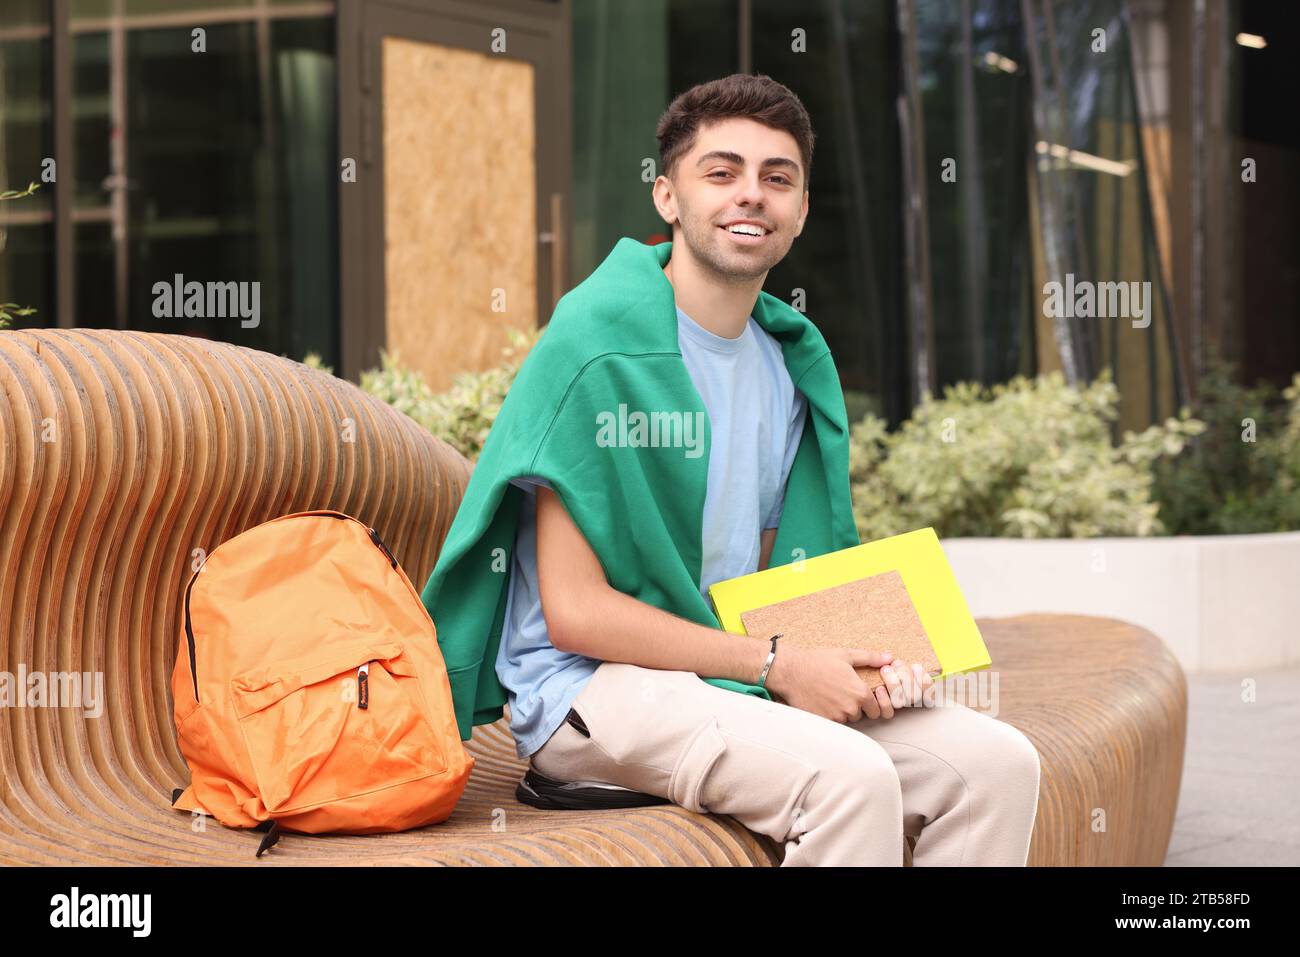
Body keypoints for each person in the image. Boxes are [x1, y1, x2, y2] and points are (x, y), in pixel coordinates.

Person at [421, 73, 1040, 866]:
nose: (751, 194)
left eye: (776, 178)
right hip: (589, 693)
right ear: (667, 197)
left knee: (996, 765)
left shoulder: (786, 368)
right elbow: (574, 612)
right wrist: (780, 665)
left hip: (720, 673)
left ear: (801, 211)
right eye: (721, 172)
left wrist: (868, 658)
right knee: (850, 778)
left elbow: (758, 590)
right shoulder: (596, 343)